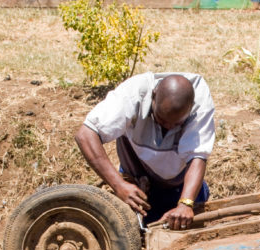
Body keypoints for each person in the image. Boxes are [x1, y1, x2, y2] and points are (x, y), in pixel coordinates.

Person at [75, 72, 215, 231]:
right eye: (162, 120)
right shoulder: (132, 95)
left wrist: (185, 203)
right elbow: (86, 135)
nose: (168, 127)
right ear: (153, 96)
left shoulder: (200, 99)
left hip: (180, 189)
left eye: (176, 124)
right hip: (137, 191)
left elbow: (197, 155)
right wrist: (119, 185)